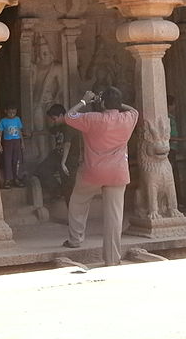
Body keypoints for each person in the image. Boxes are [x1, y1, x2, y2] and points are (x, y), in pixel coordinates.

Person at [61, 87, 139, 266]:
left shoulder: (92, 119)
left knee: (78, 202)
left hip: (92, 172)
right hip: (118, 173)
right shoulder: (128, 118)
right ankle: (112, 259)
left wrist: (85, 101)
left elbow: (68, 116)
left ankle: (75, 239)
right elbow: (134, 110)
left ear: (102, 103)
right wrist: (116, 104)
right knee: (114, 216)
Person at [34, 104, 81, 204]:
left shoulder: (69, 126)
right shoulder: (59, 126)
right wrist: (33, 134)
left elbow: (67, 145)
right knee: (41, 170)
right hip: (57, 156)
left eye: (54, 119)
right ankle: (58, 191)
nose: (53, 121)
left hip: (69, 159)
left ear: (61, 115)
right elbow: (49, 132)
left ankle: (72, 217)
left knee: (68, 188)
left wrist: (63, 163)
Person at [0, 105, 25, 189]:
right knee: (7, 161)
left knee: (16, 161)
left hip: (16, 142)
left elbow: (20, 131)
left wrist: (22, 142)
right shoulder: (3, 121)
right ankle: (8, 180)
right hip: (7, 142)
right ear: (6, 111)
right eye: (10, 112)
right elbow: (0, 133)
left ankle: (16, 179)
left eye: (14, 112)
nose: (12, 114)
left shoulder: (17, 119)